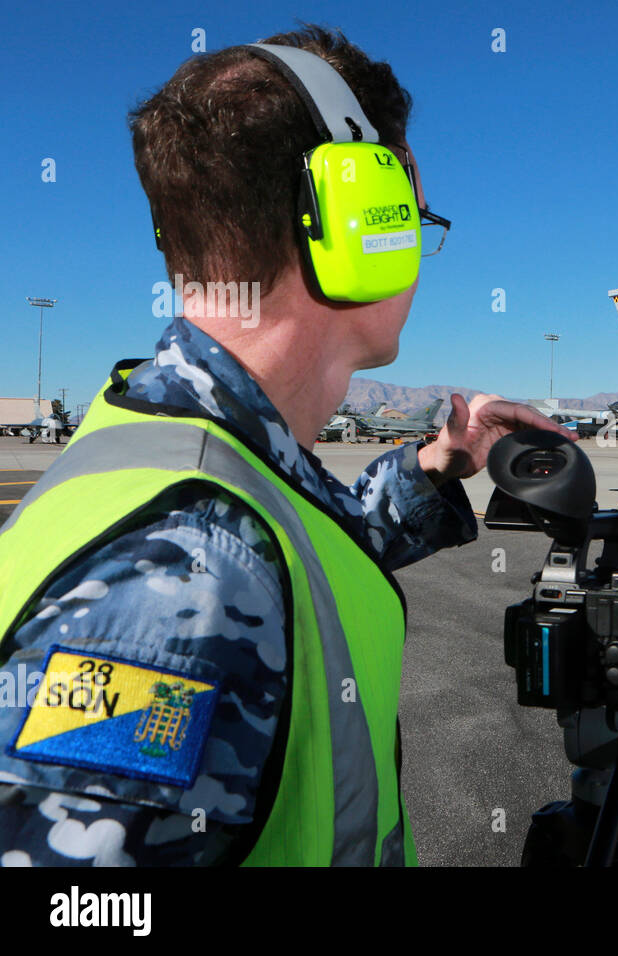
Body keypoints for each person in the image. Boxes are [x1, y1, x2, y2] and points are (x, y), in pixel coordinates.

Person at [0, 26, 568, 866]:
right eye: (411, 215)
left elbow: (298, 544)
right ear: (356, 216)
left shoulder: (186, 447)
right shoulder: (178, 581)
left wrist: (436, 461)